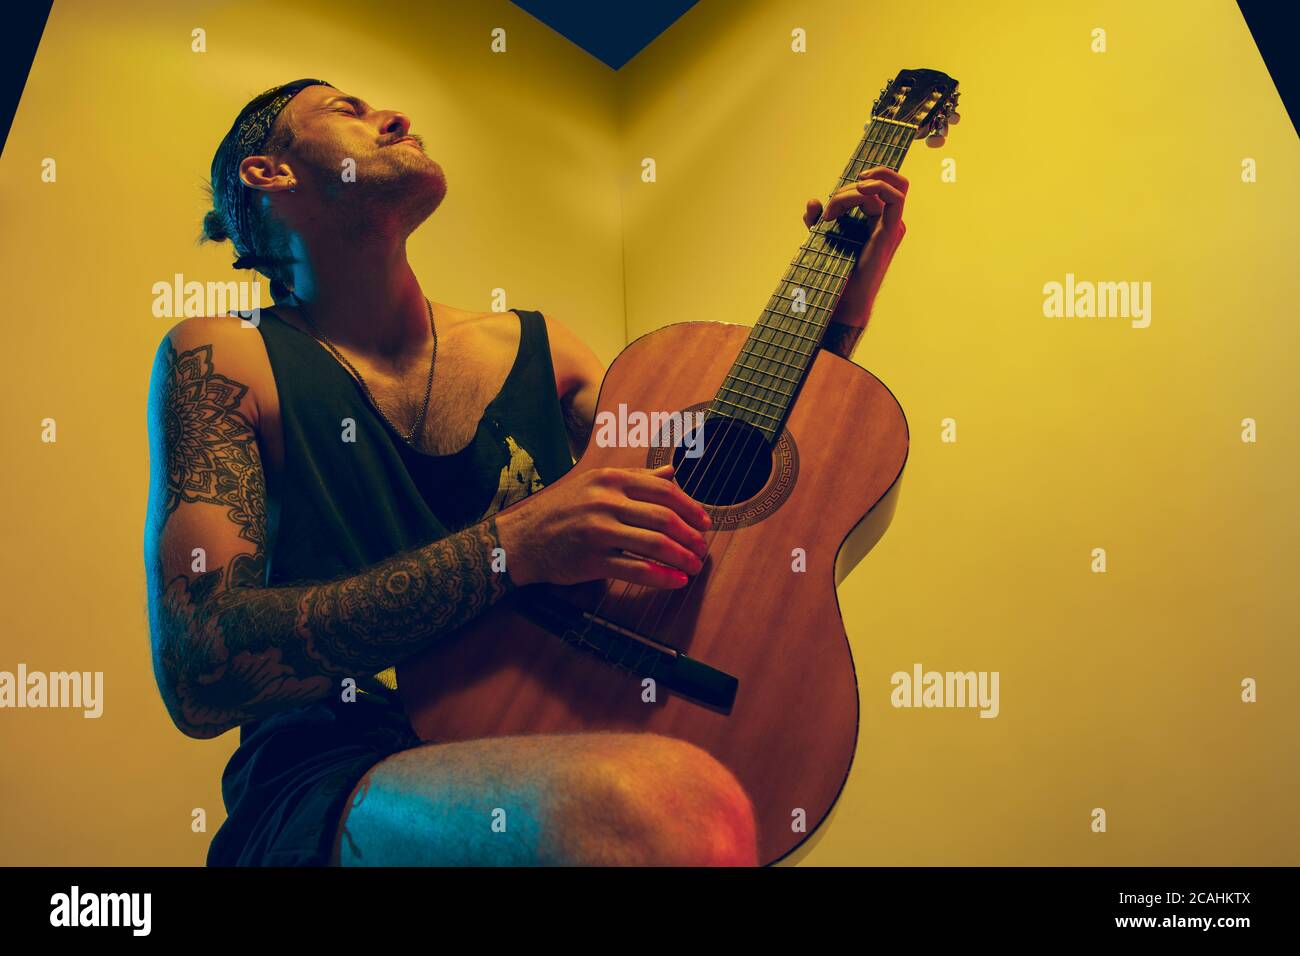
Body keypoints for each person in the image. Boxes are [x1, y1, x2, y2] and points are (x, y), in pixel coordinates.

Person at [143, 78, 908, 866]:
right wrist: (512, 546)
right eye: (348, 110)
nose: (397, 114)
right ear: (266, 173)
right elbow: (200, 669)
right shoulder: (224, 357)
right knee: (667, 805)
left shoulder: (549, 351)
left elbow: (713, 495)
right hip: (335, 764)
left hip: (557, 727)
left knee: (684, 805)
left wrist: (831, 323)